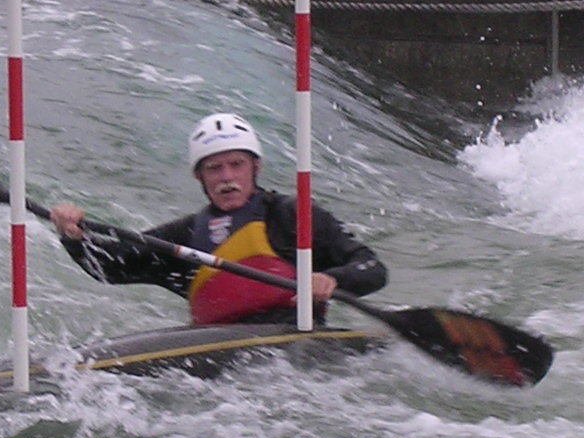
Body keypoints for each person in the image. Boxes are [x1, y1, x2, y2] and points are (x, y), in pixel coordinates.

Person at [49, 112, 387, 326]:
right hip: (216, 358)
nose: (227, 177)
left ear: (256, 168)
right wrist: (72, 235)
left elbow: (372, 269)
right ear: (199, 177)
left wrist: (331, 279)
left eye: (237, 164)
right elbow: (108, 266)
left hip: (294, 344)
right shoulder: (188, 233)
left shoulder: (291, 215)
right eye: (214, 168)